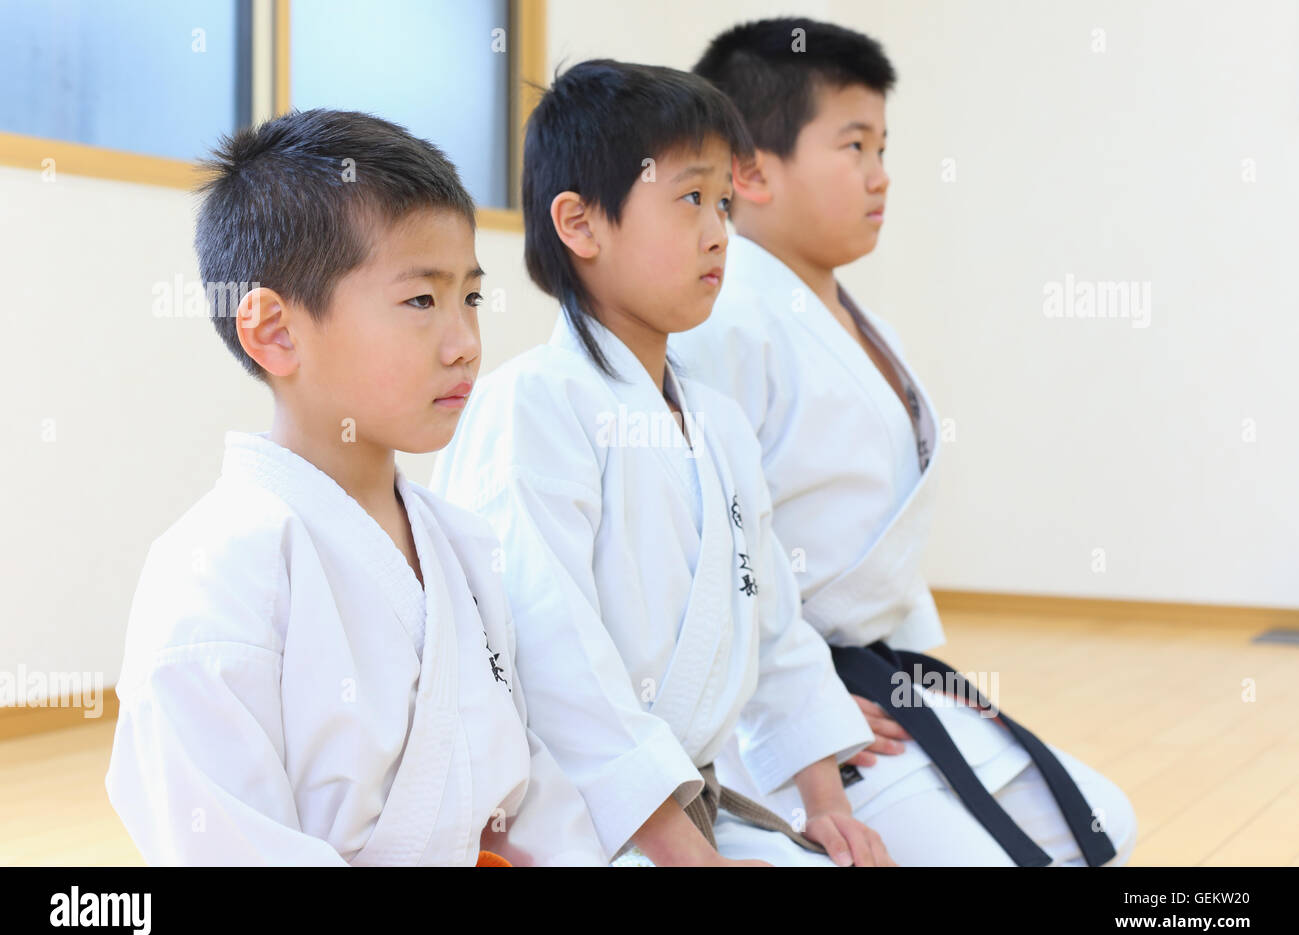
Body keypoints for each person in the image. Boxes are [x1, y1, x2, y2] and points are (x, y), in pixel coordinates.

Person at [671, 17, 1137, 865]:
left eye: (884, 148)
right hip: (779, 709)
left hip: (879, 679)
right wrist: (803, 719)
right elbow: (715, 558)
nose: (881, 178)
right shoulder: (723, 322)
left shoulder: (849, 316)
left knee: (1106, 824)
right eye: (854, 147)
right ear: (750, 170)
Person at [104, 108, 604, 866]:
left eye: (470, 297)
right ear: (275, 331)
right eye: (420, 301)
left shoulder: (460, 544)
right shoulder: (217, 570)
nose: (465, 343)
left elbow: (521, 793)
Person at [430, 60, 887, 867]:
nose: (719, 231)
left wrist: (827, 802)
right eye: (689, 198)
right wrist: (683, 850)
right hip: (573, 826)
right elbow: (550, 658)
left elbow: (774, 627)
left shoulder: (717, 421)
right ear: (580, 224)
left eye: (723, 204)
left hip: (684, 808)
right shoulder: (531, 407)